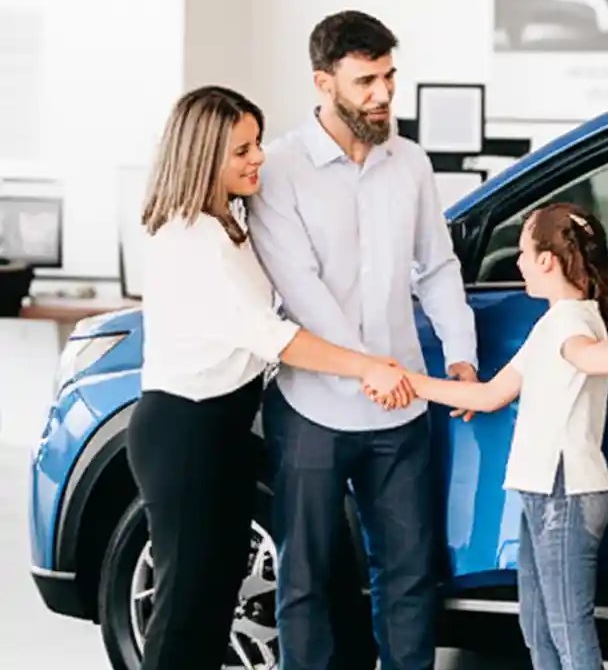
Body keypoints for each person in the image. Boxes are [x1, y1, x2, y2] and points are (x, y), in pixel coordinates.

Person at [127, 85, 413, 670]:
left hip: (222, 426)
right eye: (242, 150)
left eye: (257, 143)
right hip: (185, 431)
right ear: (203, 156)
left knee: (212, 596)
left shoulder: (224, 223)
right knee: (187, 606)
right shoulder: (193, 240)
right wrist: (367, 365)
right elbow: (275, 337)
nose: (258, 158)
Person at [246, 10, 479, 670]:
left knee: (408, 579)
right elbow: (301, 290)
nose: (382, 94)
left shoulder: (409, 162)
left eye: (389, 77)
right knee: (306, 581)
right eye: (366, 80)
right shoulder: (282, 168)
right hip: (313, 410)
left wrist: (460, 355)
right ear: (324, 82)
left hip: (401, 412)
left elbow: (435, 266)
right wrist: (363, 369)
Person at [403, 202, 608, 670]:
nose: (519, 261)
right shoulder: (554, 321)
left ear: (547, 260)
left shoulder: (572, 323)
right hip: (541, 492)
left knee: (568, 629)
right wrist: (407, 382)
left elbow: (591, 357)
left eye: (523, 251)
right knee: (539, 627)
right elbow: (488, 397)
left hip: (563, 493)